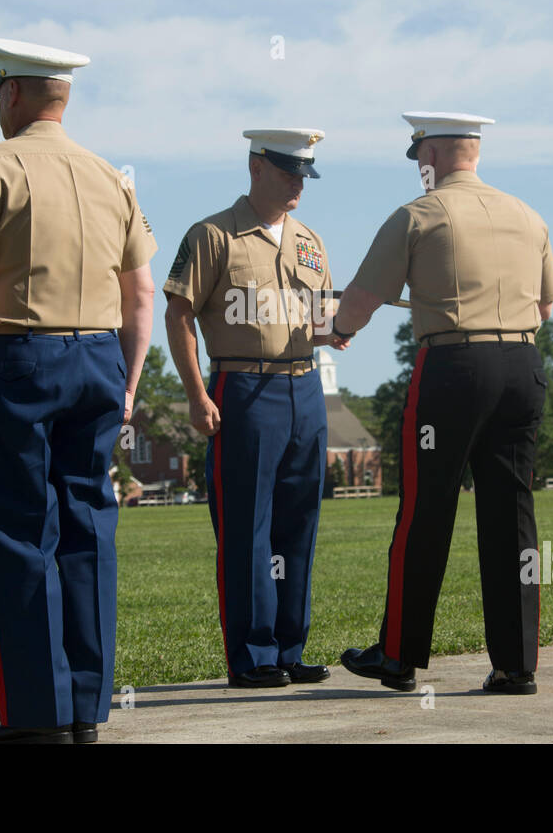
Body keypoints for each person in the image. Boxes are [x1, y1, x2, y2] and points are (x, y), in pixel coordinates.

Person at [0, 37, 156, 744]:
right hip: (97, 357)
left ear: (13, 94)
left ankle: (37, 718)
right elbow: (140, 291)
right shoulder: (111, 177)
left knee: (17, 534)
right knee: (89, 531)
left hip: (19, 358)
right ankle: (87, 713)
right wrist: (129, 381)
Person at [335, 112, 553, 695]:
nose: (418, 168)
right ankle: (516, 665)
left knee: (424, 512)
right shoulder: (528, 214)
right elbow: (544, 309)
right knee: (512, 513)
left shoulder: (419, 214)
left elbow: (362, 298)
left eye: (419, 157)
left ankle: (398, 656)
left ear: (432, 154)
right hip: (523, 365)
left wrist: (336, 329)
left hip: (454, 368)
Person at [163, 128, 334, 688]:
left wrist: (337, 328)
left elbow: (322, 313)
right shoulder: (213, 235)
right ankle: (252, 656)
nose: (297, 184)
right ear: (256, 166)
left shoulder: (309, 240)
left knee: (299, 523)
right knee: (246, 529)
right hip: (243, 389)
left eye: (304, 174)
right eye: (288, 172)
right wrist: (195, 393)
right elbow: (179, 315)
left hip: (305, 390)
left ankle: (289, 647)